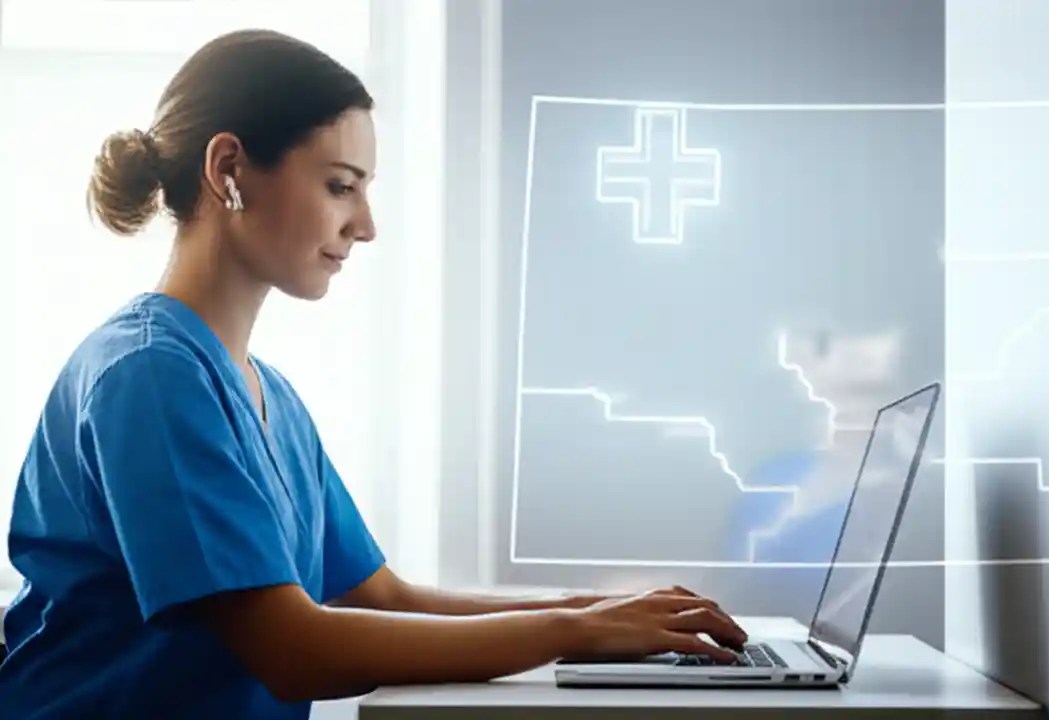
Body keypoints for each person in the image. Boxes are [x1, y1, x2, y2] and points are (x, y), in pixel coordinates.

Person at [0, 29, 746, 719]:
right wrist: (572, 631)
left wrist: (597, 611)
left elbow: (378, 595)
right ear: (229, 170)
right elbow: (294, 651)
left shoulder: (269, 397)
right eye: (340, 185)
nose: (366, 223)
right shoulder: (150, 378)